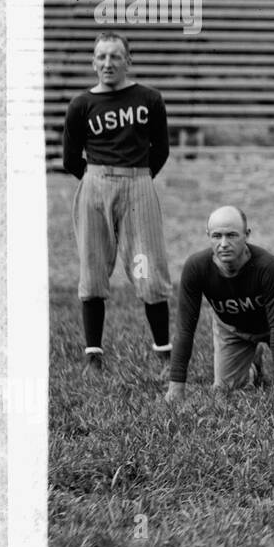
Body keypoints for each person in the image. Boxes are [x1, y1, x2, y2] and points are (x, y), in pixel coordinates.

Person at [61, 31, 172, 376]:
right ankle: (93, 356)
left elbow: (162, 150)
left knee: (149, 268)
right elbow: (69, 159)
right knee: (93, 270)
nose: (108, 63)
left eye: (115, 56)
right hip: (94, 183)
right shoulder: (82, 104)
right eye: (101, 57)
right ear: (93, 62)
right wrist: (98, 179)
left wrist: (135, 178)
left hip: (138, 182)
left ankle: (164, 353)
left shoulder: (149, 98)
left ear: (128, 60)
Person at [163, 207, 274, 406]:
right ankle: (252, 365)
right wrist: (176, 387)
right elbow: (185, 328)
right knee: (225, 390)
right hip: (232, 327)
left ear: (247, 235)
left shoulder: (267, 265)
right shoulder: (196, 267)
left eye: (231, 235)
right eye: (217, 236)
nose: (224, 244)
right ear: (208, 236)